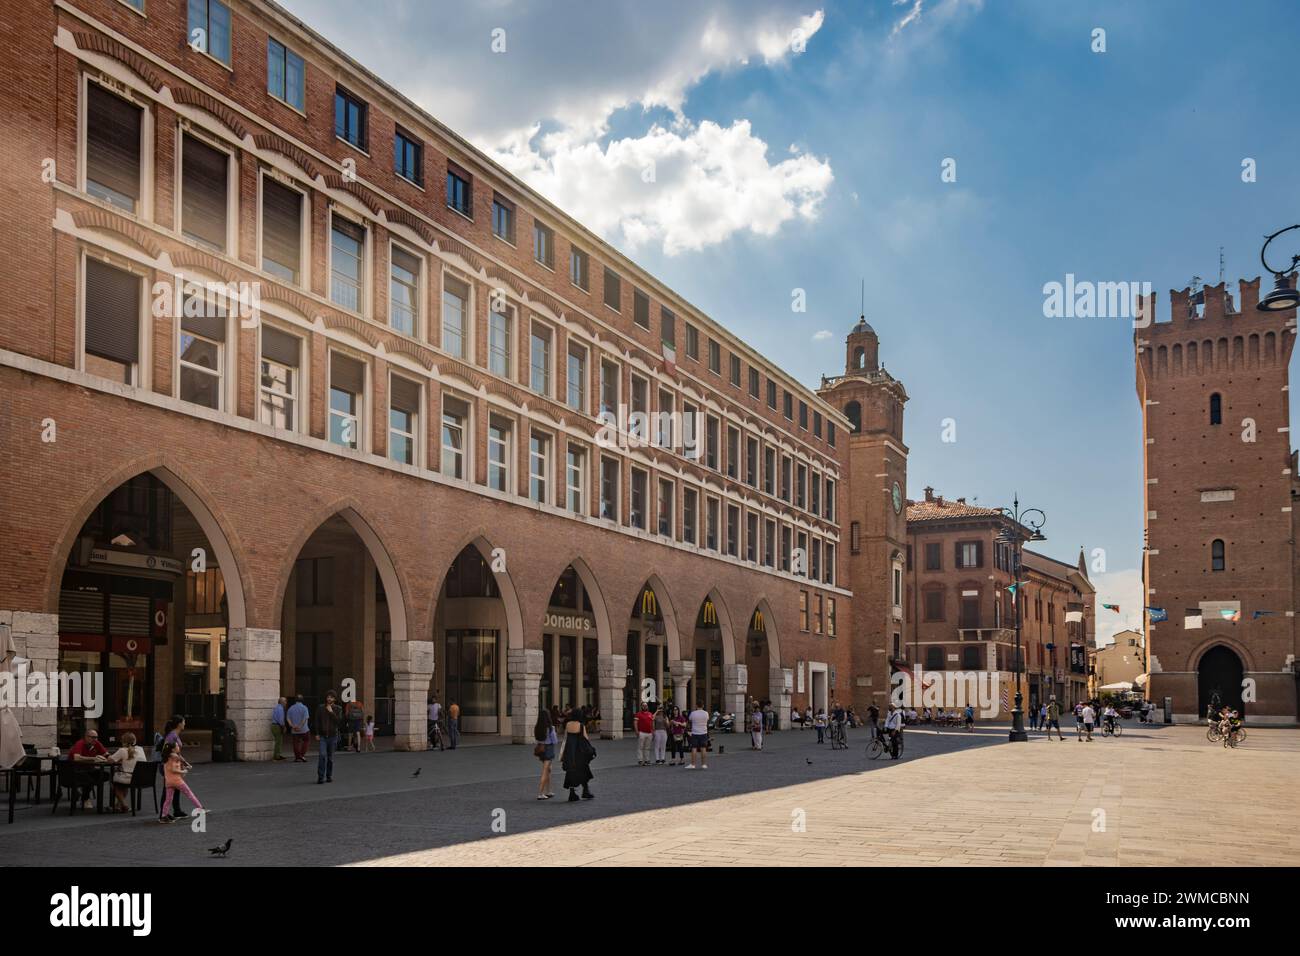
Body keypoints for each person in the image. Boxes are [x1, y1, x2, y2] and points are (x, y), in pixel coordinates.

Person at [159, 744, 202, 824]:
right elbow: (174, 769)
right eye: (177, 746)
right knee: (189, 794)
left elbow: (171, 768)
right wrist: (184, 771)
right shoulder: (174, 757)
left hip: (168, 781)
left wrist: (185, 768)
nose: (179, 747)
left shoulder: (166, 757)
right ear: (173, 749)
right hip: (177, 781)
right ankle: (200, 808)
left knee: (168, 799)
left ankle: (164, 816)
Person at [69, 728, 110, 809]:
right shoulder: (80, 743)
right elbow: (76, 758)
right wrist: (94, 758)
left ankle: (114, 802)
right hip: (75, 771)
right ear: (86, 737)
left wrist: (112, 758)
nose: (95, 739)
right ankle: (85, 799)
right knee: (90, 779)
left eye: (96, 737)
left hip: (89, 769)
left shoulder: (96, 743)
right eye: (93, 737)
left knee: (106, 775)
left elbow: (106, 754)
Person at [560, 706, 595, 801]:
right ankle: (585, 791)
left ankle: (572, 794)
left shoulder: (568, 724)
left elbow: (566, 737)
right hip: (580, 753)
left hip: (570, 751)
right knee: (584, 771)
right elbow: (585, 738)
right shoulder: (581, 725)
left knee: (571, 772)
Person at [107, 731, 146, 813]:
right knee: (123, 783)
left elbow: (110, 760)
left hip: (128, 778)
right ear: (135, 740)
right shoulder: (141, 749)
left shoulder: (122, 750)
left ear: (123, 741)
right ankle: (118, 805)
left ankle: (124, 805)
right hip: (140, 778)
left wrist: (109, 756)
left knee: (113, 783)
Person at [315, 690, 342, 783]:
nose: (329, 698)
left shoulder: (338, 709)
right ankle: (320, 777)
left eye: (331, 697)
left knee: (330, 757)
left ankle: (329, 776)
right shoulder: (321, 708)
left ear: (334, 699)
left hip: (333, 736)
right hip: (323, 736)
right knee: (322, 755)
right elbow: (317, 721)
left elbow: (339, 722)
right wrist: (317, 733)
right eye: (328, 697)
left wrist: (331, 712)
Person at [534, 710, 557, 800]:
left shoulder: (538, 727)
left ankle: (549, 791)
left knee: (548, 770)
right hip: (548, 749)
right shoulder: (550, 728)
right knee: (545, 771)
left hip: (541, 749)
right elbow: (554, 741)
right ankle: (540, 793)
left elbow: (537, 738)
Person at [686, 700, 710, 769]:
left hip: (695, 733)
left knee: (694, 748)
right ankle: (704, 764)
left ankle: (693, 764)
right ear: (703, 706)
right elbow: (707, 720)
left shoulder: (693, 713)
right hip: (703, 733)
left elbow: (690, 720)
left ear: (696, 705)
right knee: (703, 748)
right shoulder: (706, 713)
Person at [287, 695, 310, 762]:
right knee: (306, 741)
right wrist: (300, 726)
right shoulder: (304, 708)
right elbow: (305, 719)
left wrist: (292, 726)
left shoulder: (291, 708)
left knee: (296, 743)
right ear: (302, 700)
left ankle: (297, 757)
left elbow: (288, 718)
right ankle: (301, 755)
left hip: (294, 730)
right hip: (304, 729)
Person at [634, 702, 654, 766]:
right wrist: (636, 731)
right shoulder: (638, 714)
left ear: (647, 706)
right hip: (641, 732)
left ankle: (647, 760)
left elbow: (652, 722)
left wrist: (653, 730)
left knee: (647, 747)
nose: (645, 706)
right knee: (640, 747)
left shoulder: (650, 714)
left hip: (649, 733)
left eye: (646, 705)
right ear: (641, 707)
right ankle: (640, 760)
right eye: (643, 705)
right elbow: (635, 723)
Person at [270, 696, 288, 761]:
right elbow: (281, 720)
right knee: (279, 741)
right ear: (282, 702)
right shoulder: (280, 709)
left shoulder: (276, 707)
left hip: (274, 726)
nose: (286, 703)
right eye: (285, 701)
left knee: (278, 741)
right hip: (277, 726)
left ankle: (277, 755)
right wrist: (284, 727)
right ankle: (276, 756)